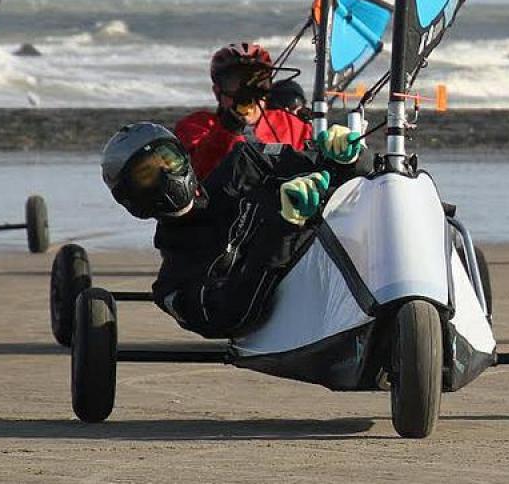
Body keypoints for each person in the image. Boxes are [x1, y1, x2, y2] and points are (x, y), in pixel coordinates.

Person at [101, 120, 364, 338]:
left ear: (184, 158)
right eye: (147, 174)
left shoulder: (246, 164)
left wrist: (348, 158)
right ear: (130, 196)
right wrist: (285, 227)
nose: (167, 175)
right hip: (310, 315)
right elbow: (230, 317)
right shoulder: (173, 285)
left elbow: (355, 178)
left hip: (355, 268)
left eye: (169, 161)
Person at [175, 43, 312, 180]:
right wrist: (226, 131)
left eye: (257, 82)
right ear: (218, 91)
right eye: (236, 84)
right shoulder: (195, 126)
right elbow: (194, 172)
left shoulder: (293, 125)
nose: (247, 94)